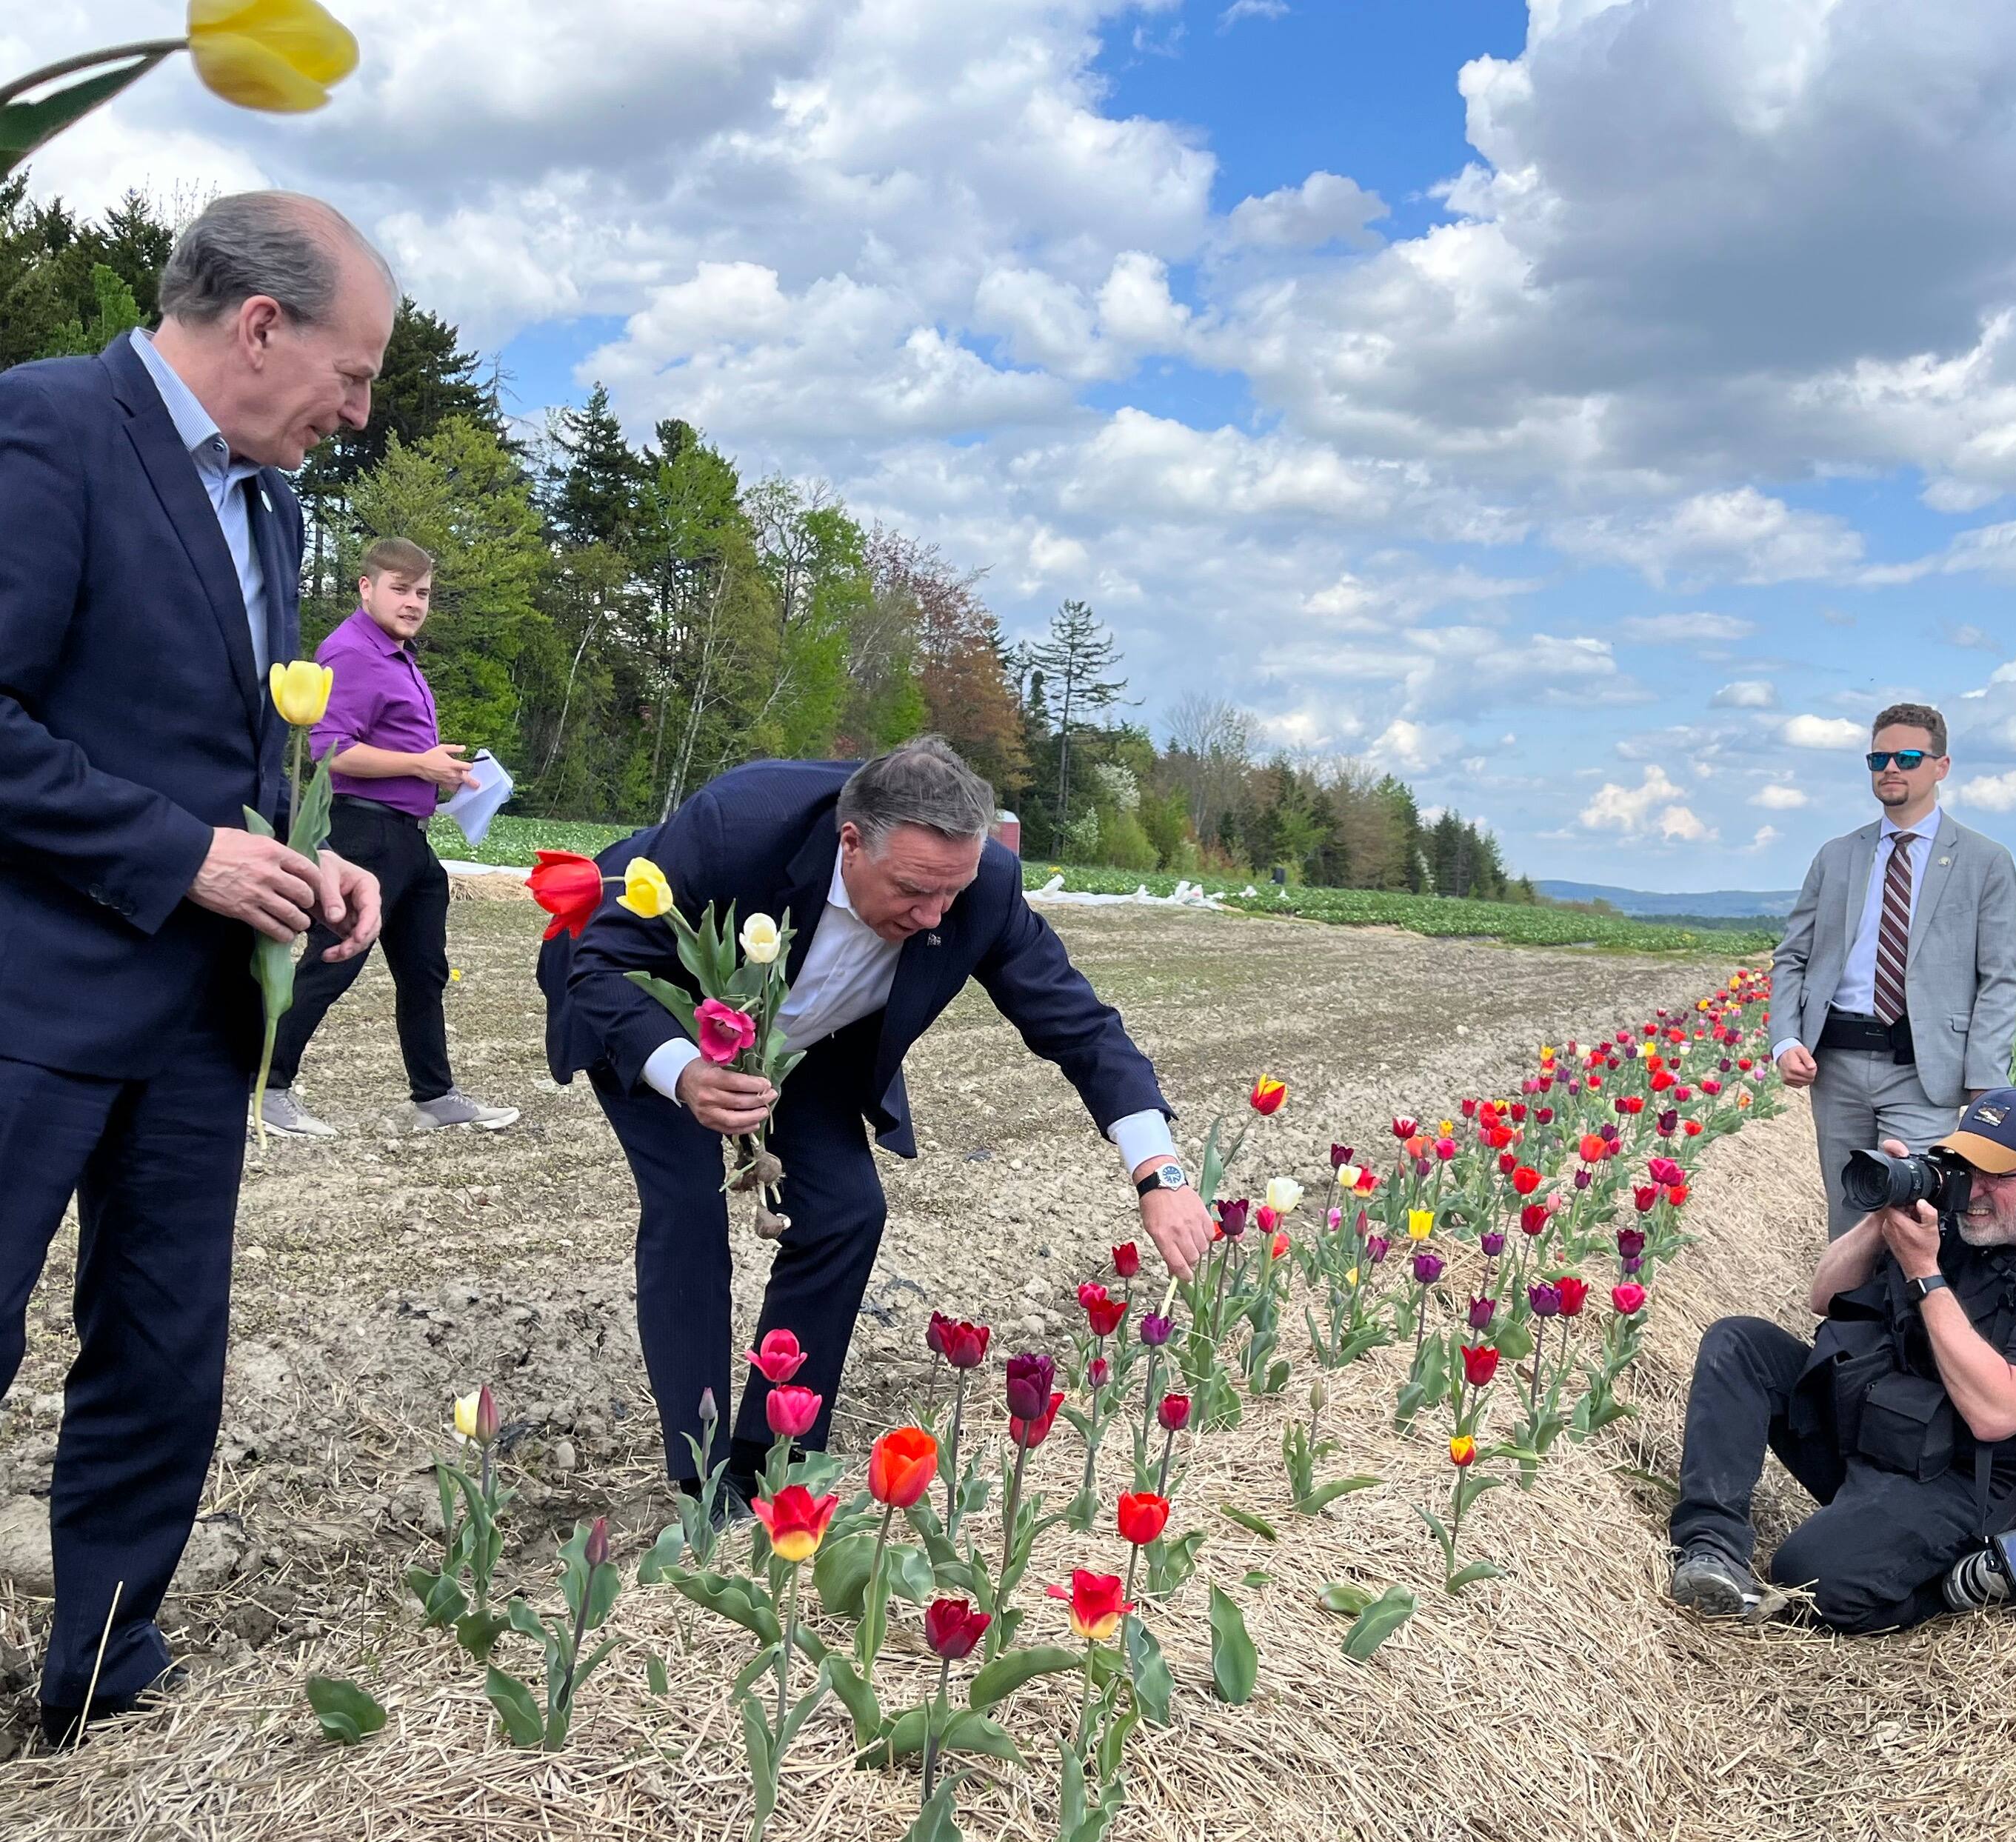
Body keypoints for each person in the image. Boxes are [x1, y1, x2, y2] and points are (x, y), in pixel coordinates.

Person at [0, 193, 391, 1744]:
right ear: (258, 326)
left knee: (162, 1351)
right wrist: (182, 855)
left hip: (191, 1018)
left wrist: (307, 841)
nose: (356, 411)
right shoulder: (45, 429)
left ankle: (101, 1666)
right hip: (31, 999)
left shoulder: (273, 507)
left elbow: (237, 737)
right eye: (351, 375)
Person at [537, 737, 1212, 1495]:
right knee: (689, 1209)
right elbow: (600, 960)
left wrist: (1159, 1171)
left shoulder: (979, 884)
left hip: (802, 1040)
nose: (932, 917)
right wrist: (685, 1072)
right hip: (654, 1011)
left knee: (846, 1211)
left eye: (948, 895)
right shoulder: (739, 823)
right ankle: (703, 1480)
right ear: (849, 842)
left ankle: (775, 1459)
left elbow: (1079, 1025)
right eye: (913, 890)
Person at [1667, 1088, 2016, 1632]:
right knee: (1740, 1344)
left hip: (1968, 1480)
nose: (1971, 1187)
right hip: (1883, 1428)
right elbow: (1825, 1296)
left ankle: (1952, 1586)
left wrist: (1925, 1271)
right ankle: (1711, 1548)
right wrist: (1882, 1217)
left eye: (1992, 1175)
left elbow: (1997, 1413)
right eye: (1962, 1164)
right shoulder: (1962, 1224)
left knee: (1808, 1579)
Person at [259, 538, 518, 1137]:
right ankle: (267, 1086)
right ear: (366, 587)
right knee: (333, 960)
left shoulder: (397, 654)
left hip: (410, 837)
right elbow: (331, 751)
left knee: (425, 969)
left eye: (422, 593)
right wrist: (419, 767)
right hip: (365, 832)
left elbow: (400, 750)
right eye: (400, 589)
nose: (412, 603)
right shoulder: (350, 652)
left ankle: (435, 1096)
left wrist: (445, 778)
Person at [1768, 702, 2016, 1238]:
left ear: (1941, 766)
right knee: (1849, 1212)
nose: (1891, 768)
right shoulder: (1836, 856)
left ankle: (1910, 1321)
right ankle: (1846, 1323)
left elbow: (2000, 979)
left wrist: (1985, 1081)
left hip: (1923, 1069)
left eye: (1907, 757)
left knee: (1913, 1212)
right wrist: (1785, 1038)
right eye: (1879, 758)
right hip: (1835, 1066)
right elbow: (1792, 956)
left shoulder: (1984, 861)